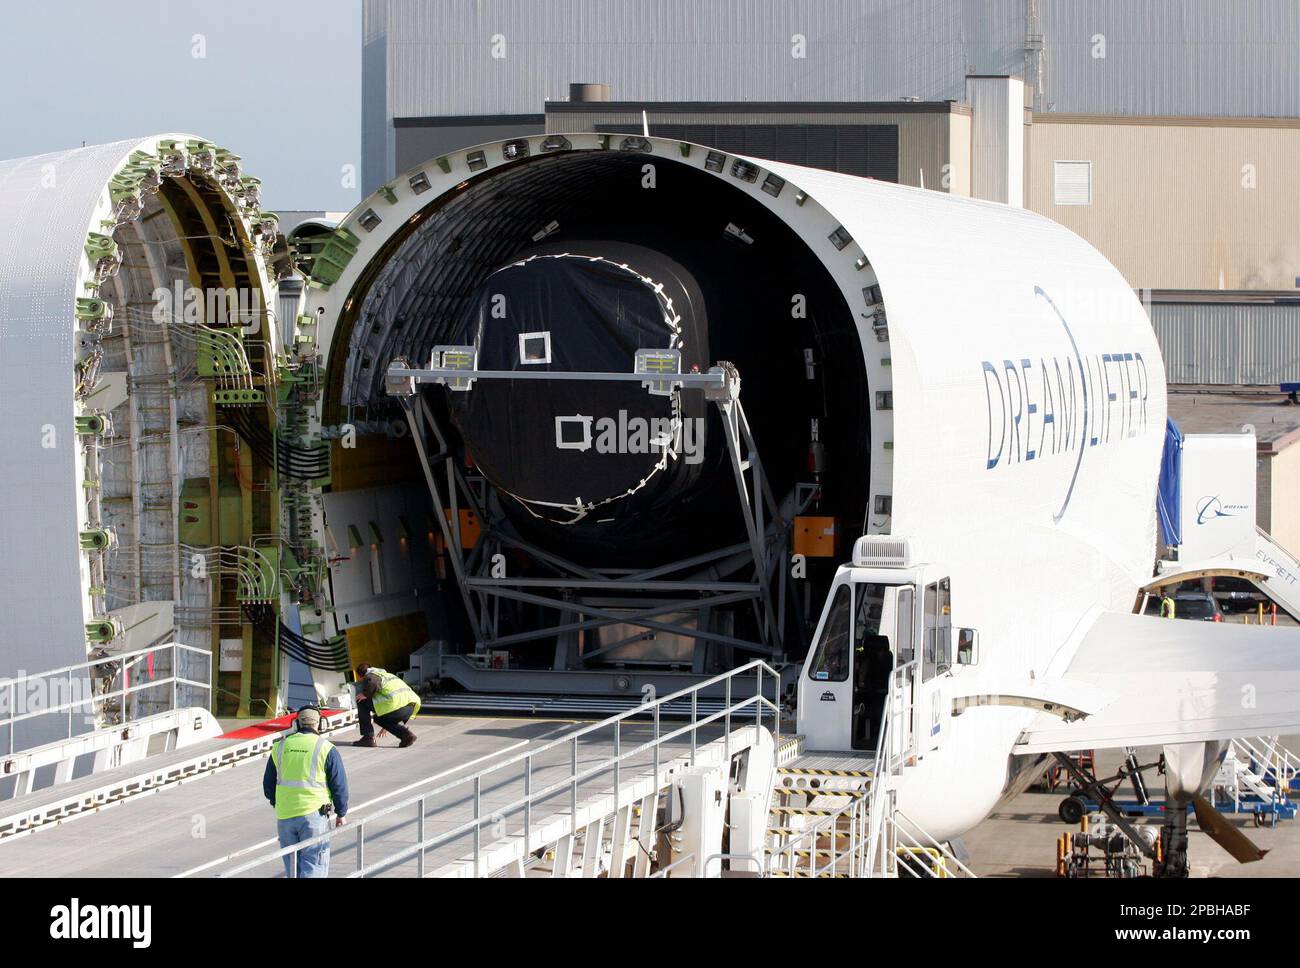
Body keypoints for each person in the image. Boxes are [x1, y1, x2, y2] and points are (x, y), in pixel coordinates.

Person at [263, 706, 348, 877]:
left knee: (292, 868)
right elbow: (339, 784)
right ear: (321, 724)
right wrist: (341, 813)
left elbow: (268, 785)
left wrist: (278, 803)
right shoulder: (326, 748)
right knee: (314, 865)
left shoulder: (280, 747)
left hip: (285, 815)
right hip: (314, 815)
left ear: (295, 724)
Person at [353, 663, 421, 748]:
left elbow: (373, 682)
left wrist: (365, 694)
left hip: (396, 706)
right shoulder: (387, 675)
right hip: (410, 707)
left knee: (361, 701)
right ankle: (406, 736)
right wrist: (387, 725)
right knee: (379, 719)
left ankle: (368, 738)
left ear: (361, 676)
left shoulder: (370, 675)